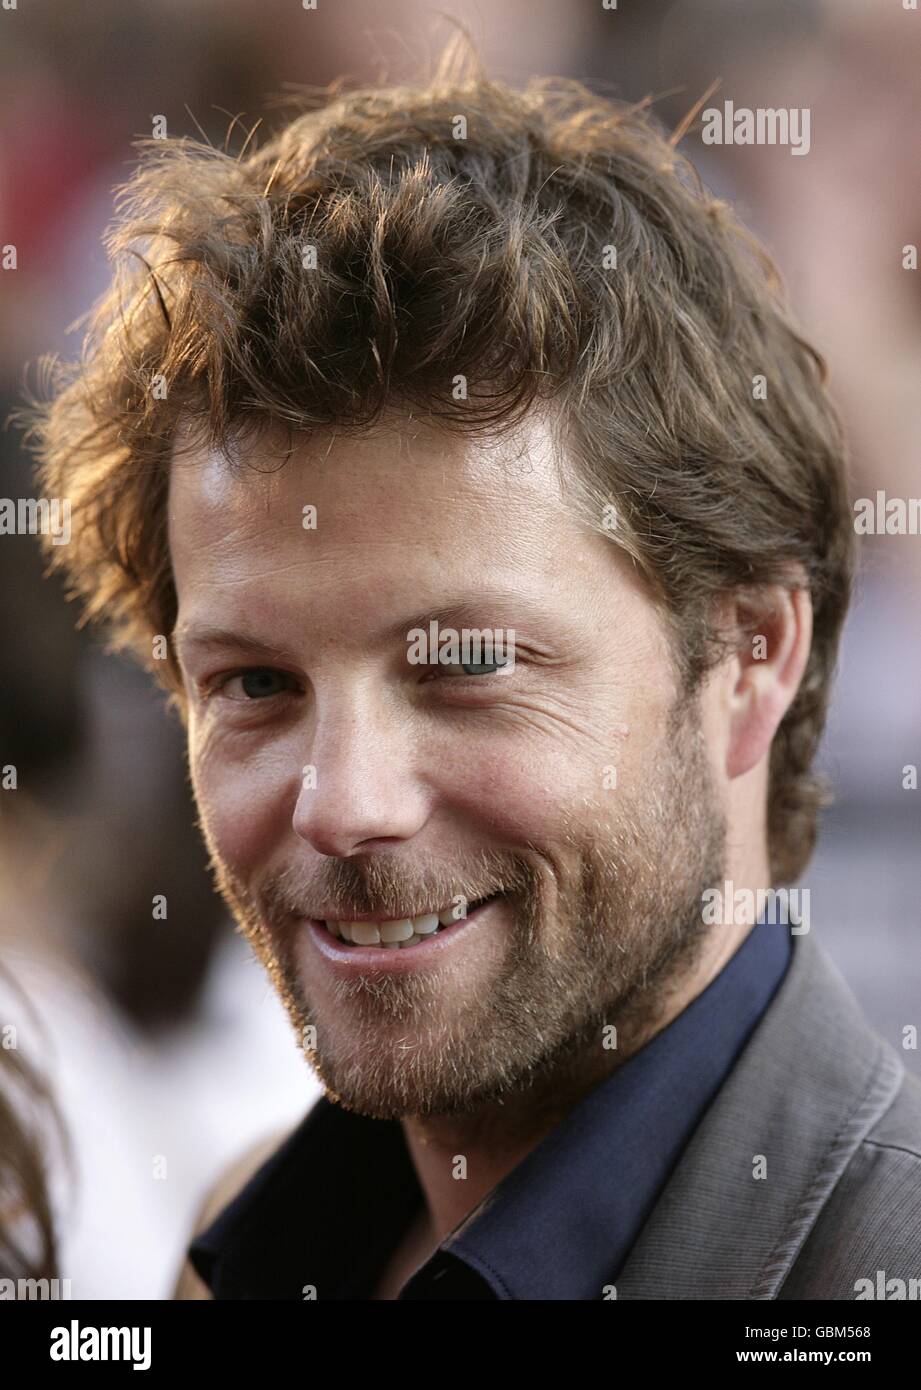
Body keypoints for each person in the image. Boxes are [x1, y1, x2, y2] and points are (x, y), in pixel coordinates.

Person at [21, 34, 921, 1300]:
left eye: (463, 665)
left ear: (750, 655)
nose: (343, 803)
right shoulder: (247, 1243)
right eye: (256, 684)